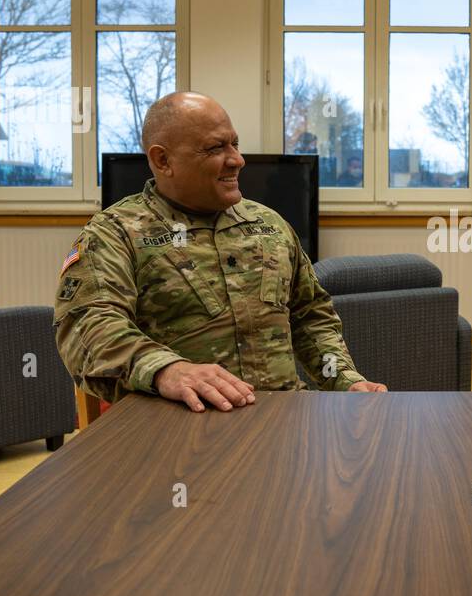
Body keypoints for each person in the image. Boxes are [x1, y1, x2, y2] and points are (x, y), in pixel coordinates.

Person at [54, 92, 386, 413]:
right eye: (216, 148)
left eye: (235, 144)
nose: (238, 160)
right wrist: (167, 370)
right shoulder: (114, 234)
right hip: (178, 430)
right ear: (162, 159)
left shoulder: (271, 225)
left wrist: (343, 380)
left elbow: (310, 316)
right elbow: (88, 327)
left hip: (281, 421)